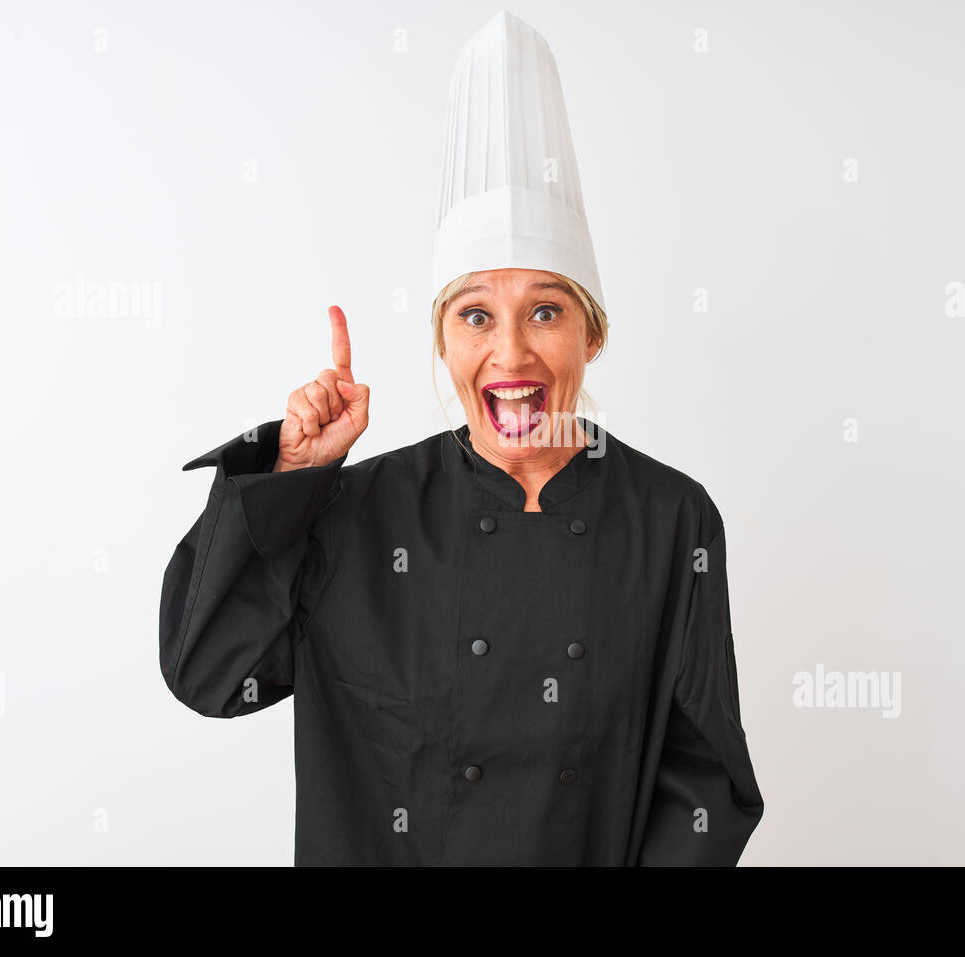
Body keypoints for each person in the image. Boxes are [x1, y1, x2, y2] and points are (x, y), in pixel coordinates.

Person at [159, 9, 763, 866]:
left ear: (590, 334)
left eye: (545, 311)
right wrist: (292, 476)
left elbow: (706, 781)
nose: (509, 352)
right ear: (443, 341)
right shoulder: (349, 514)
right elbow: (209, 673)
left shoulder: (672, 521)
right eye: (476, 314)